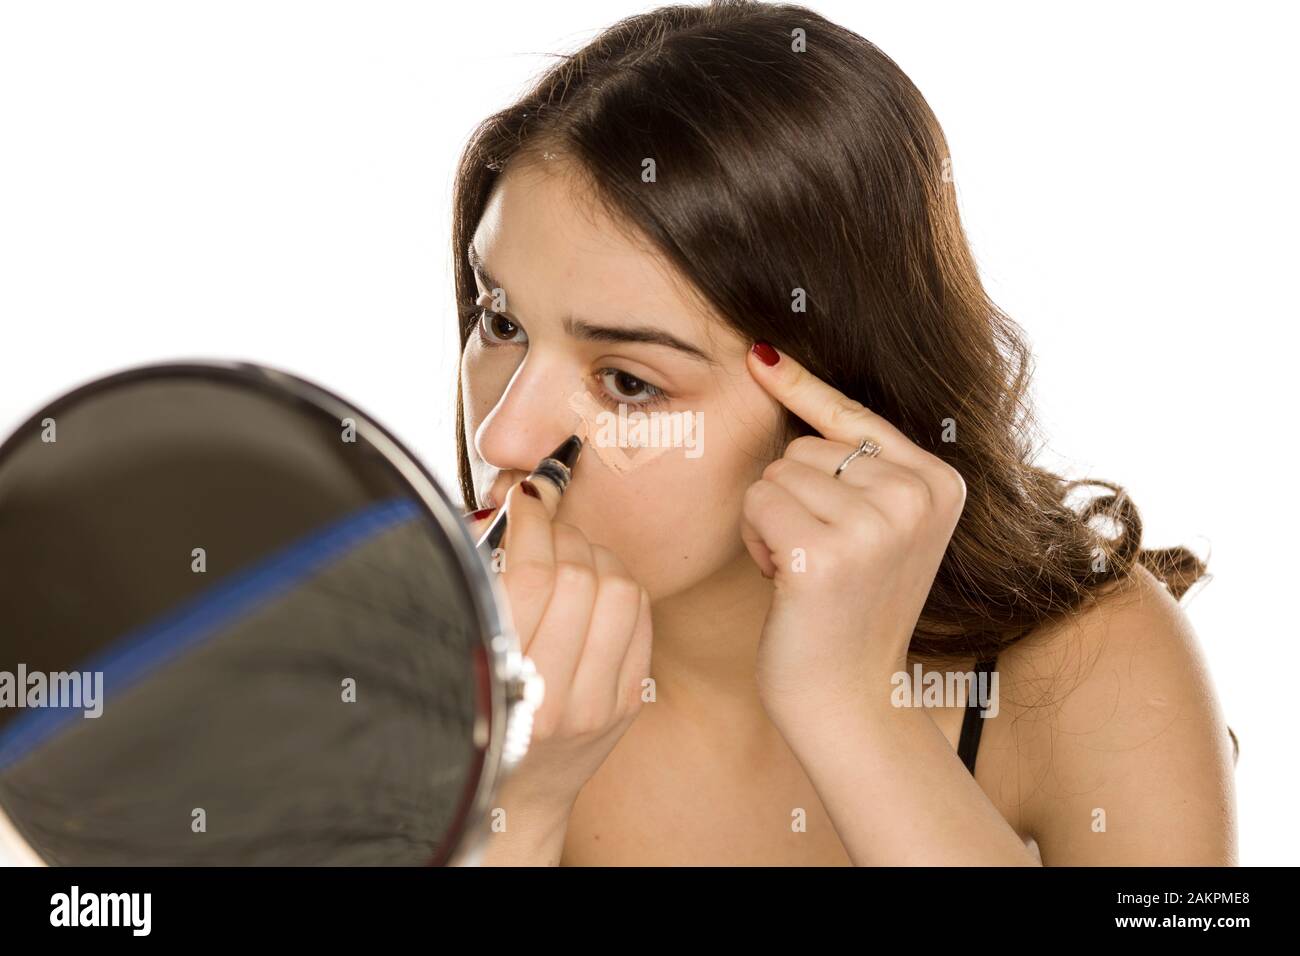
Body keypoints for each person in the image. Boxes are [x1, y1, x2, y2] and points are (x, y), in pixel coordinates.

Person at [453, 0, 1238, 865]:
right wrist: (509, 810)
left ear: (831, 408)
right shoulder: (382, 653)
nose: (504, 437)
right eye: (502, 322)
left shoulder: (1100, 665)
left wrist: (854, 708)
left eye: (630, 382)